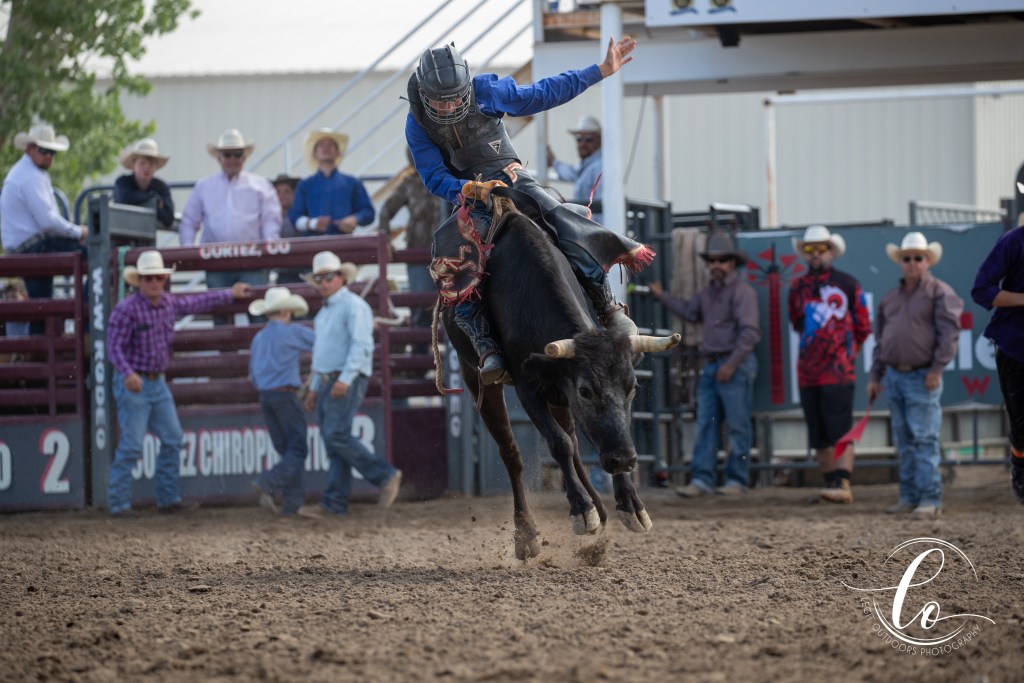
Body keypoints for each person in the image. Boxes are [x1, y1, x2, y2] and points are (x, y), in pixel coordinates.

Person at [405, 39, 651, 385]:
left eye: (455, 100)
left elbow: (541, 93)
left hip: (512, 178)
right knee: (452, 256)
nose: (447, 108)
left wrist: (599, 71)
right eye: (439, 102)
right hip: (472, 196)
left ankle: (607, 306)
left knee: (561, 217)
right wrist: (469, 189)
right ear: (424, 96)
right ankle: (484, 343)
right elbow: (433, 176)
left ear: (465, 89)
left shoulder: (486, 91)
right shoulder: (416, 124)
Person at [106, 250, 251, 518]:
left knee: (172, 439)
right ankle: (119, 504)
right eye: (149, 278)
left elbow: (198, 301)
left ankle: (166, 498)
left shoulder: (167, 304)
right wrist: (128, 373)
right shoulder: (126, 310)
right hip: (135, 382)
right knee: (133, 445)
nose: (154, 282)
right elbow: (113, 347)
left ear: (164, 279)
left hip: (155, 382)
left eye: (158, 277)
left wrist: (230, 294)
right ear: (140, 281)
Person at [650, 230, 761, 496]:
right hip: (714, 363)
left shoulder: (742, 292)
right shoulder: (709, 293)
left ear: (732, 263)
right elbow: (690, 311)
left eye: (721, 260)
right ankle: (705, 479)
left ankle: (733, 479)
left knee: (735, 425)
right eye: (712, 261)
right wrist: (663, 296)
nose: (715, 265)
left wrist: (731, 364)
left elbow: (750, 334)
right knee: (707, 423)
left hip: (732, 363)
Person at [298, 251, 401, 518]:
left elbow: (361, 346)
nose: (323, 283)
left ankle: (384, 475)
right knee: (334, 440)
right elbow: (322, 355)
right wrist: (314, 387)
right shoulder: (326, 312)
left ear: (341, 277)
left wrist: (345, 378)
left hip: (344, 378)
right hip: (329, 379)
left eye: (328, 277)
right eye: (319, 279)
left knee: (335, 435)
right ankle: (334, 503)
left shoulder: (353, 306)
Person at [867, 232, 963, 516]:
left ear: (927, 261)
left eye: (917, 258)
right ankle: (909, 496)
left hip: (922, 376)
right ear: (900, 262)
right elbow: (881, 341)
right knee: (904, 440)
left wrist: (936, 369)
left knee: (923, 438)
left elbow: (949, 334)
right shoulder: (890, 299)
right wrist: (875, 376)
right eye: (906, 258)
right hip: (894, 375)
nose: (912, 263)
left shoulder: (939, 292)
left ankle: (930, 498)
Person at [787, 225, 871, 504]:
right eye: (809, 249)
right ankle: (829, 482)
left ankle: (842, 481)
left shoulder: (848, 284)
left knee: (839, 428)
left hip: (838, 371)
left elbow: (863, 326)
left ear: (831, 251)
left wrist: (846, 355)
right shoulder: (797, 288)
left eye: (821, 248)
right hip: (808, 372)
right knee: (818, 431)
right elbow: (797, 323)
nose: (815, 254)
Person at [179, 129, 280, 319]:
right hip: (217, 260)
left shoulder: (260, 185)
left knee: (257, 312)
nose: (232, 159)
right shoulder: (204, 186)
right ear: (219, 158)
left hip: (252, 259)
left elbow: (270, 219)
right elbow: (189, 220)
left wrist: (269, 245)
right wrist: (187, 249)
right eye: (227, 154)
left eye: (237, 154)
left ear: (244, 157)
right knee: (221, 313)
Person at [1, 123, 88, 334]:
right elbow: (48, 221)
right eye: (44, 151)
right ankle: (87, 320)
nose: (49, 156)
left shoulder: (26, 172)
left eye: (52, 152)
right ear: (30, 149)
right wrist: (78, 232)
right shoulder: (30, 176)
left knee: (41, 307)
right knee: (94, 254)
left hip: (26, 247)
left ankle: (43, 347)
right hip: (34, 246)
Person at [248, 287, 316, 516]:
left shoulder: (258, 338)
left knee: (288, 450)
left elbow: (253, 375)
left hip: (266, 397)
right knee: (297, 449)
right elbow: (323, 344)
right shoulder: (292, 332)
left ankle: (292, 504)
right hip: (285, 395)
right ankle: (267, 482)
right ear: (287, 311)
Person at [971, 217, 1024, 503]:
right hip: (1017, 345)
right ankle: (1020, 466)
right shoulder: (1014, 241)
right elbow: (982, 289)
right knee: (1022, 426)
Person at [377, 148, 438, 328]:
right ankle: (422, 344)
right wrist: (386, 240)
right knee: (421, 306)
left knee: (457, 306)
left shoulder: (451, 180)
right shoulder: (410, 183)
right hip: (421, 252)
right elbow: (385, 211)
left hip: (450, 252)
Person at [289, 128, 375, 237]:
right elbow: (294, 217)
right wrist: (313, 224)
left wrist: (355, 219)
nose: (326, 147)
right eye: (321, 144)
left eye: (330, 144)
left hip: (344, 242)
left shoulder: (353, 183)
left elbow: (368, 212)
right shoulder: (304, 185)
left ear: (338, 153)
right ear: (314, 154)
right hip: (313, 242)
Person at [547, 115, 604, 220]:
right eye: (579, 138)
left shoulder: (599, 167)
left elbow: (602, 207)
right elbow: (572, 172)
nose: (583, 143)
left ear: (599, 140)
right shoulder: (588, 166)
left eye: (589, 139)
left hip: (593, 227)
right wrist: (554, 162)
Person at [113, 138, 175, 227]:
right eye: (142, 163)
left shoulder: (161, 187)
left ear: (156, 167)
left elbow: (169, 219)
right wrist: (154, 199)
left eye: (151, 164)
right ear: (133, 165)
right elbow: (124, 199)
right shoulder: (123, 182)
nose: (147, 167)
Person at [270, 173, 304, 284]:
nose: (281, 196)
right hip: (279, 270)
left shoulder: (301, 216)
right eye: (278, 192)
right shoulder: (268, 218)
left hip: (301, 268)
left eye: (286, 192)